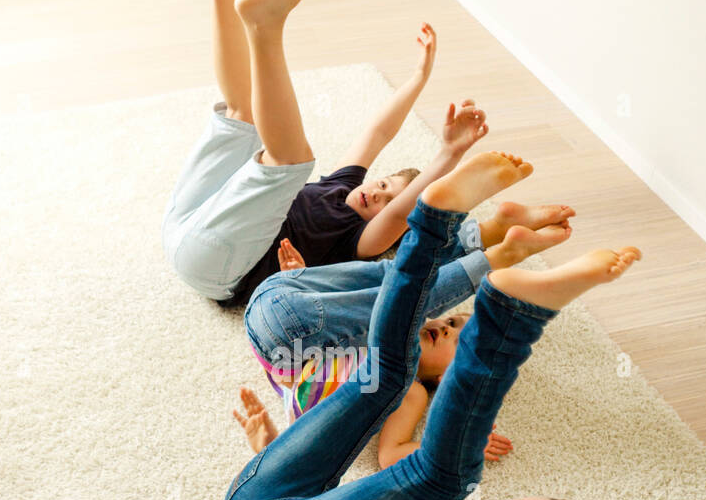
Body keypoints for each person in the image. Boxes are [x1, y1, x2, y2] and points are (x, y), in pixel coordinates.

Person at [221, 148, 638, 500]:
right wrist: (270, 444)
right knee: (385, 374)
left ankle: (515, 316)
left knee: (445, 476)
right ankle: (435, 218)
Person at [162, 0, 488, 305]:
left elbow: (405, 209)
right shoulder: (343, 184)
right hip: (187, 220)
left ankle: (266, 27)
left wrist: (450, 154)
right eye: (383, 186)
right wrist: (418, 77)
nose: (376, 196)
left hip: (217, 267)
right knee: (241, 112)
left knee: (290, 162)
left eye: (385, 203)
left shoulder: (358, 242)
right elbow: (378, 133)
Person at [235, 199, 576, 467]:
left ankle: (493, 251)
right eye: (453, 321)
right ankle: (487, 234)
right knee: (396, 279)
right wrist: (313, 288)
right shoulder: (397, 334)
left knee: (404, 296)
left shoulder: (410, 390)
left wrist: (458, 443)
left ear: (448, 377)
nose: (444, 327)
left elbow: (391, 455)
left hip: (288, 331)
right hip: (295, 295)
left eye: (456, 338)